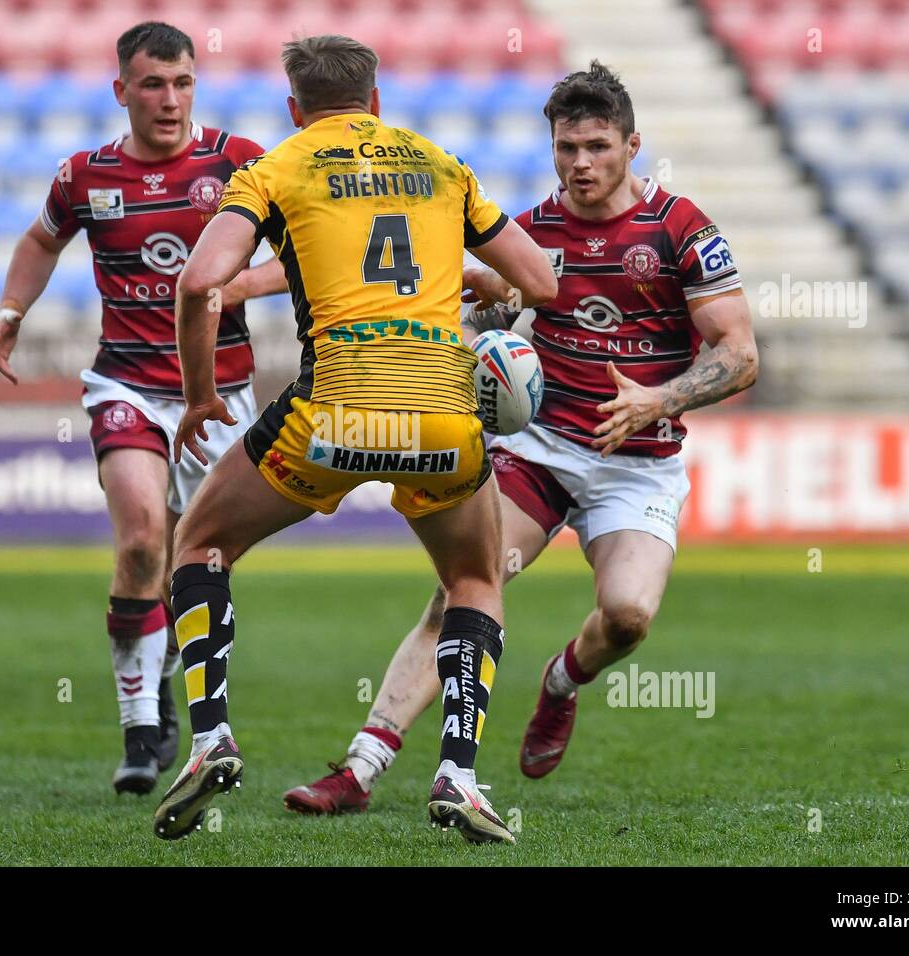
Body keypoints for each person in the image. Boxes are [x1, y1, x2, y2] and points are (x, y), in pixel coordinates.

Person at [283, 61, 759, 813]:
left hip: (640, 465)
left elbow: (739, 354)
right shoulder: (531, 233)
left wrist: (656, 400)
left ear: (633, 146)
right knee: (463, 590)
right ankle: (361, 768)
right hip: (539, 453)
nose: (581, 163)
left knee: (629, 617)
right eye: (567, 147)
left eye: (598, 146)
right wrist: (476, 344)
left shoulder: (679, 231)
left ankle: (561, 681)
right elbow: (482, 317)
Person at [150, 34, 557, 844]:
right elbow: (541, 280)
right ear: (376, 101)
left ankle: (209, 738)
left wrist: (199, 397)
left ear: (294, 109)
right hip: (443, 410)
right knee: (476, 580)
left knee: (197, 545)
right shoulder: (443, 167)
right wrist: (479, 281)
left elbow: (199, 282)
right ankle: (460, 777)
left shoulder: (277, 166)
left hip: (333, 410)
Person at [0, 22, 286, 795]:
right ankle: (141, 729)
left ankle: (161, 668)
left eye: (183, 83)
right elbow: (39, 240)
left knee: (196, 562)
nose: (170, 100)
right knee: (144, 540)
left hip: (220, 396)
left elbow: (300, 251)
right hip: (127, 386)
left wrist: (241, 285)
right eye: (153, 84)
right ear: (122, 90)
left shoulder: (241, 162)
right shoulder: (85, 176)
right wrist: (13, 310)